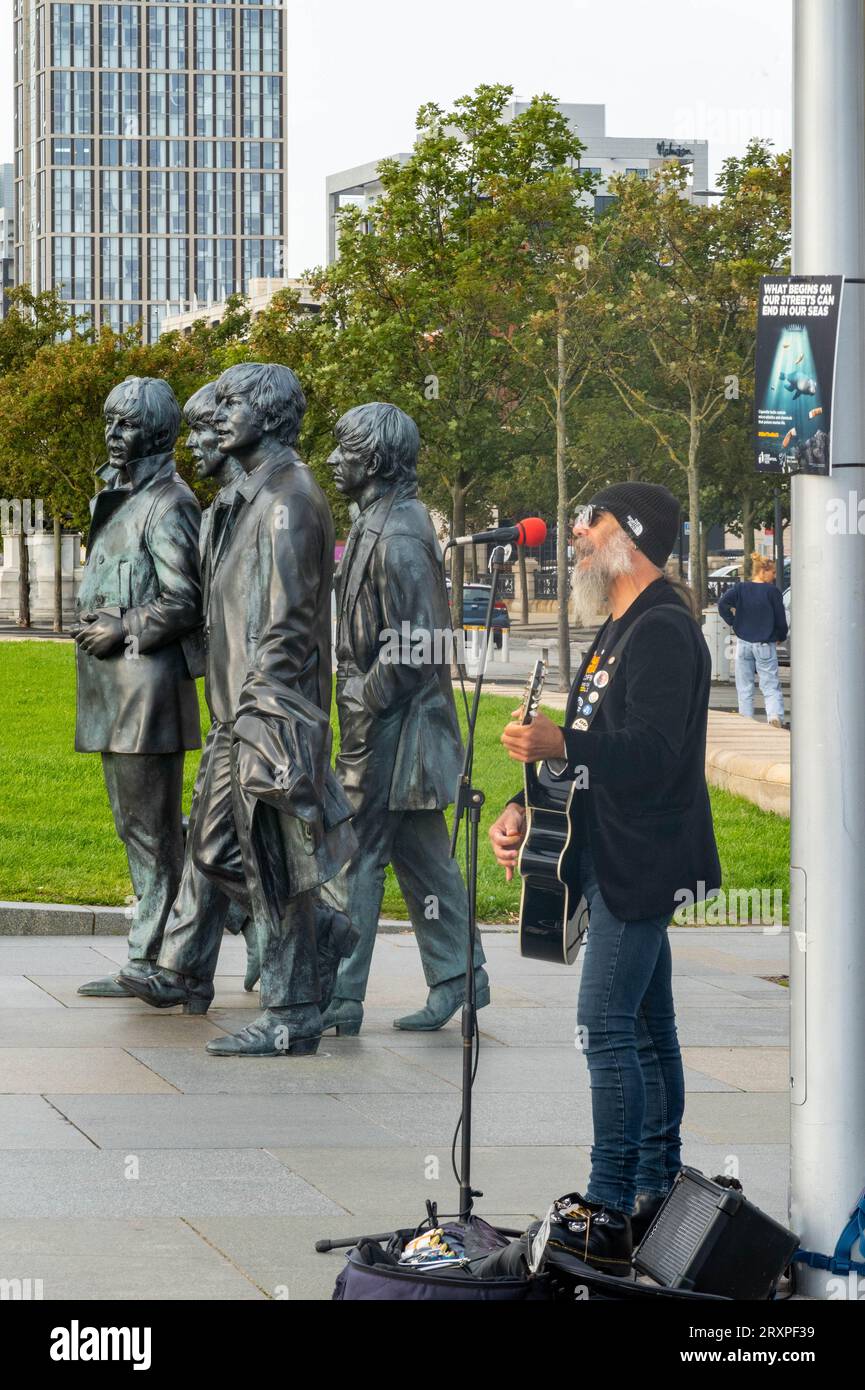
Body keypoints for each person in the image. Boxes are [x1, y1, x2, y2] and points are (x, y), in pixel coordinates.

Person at [488, 481, 721, 1276]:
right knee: (647, 1029)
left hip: (642, 859)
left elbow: (651, 757)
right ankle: (656, 1189)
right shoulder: (618, 626)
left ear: (633, 537)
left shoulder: (662, 631)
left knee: (605, 1026)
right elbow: (590, 743)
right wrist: (525, 806)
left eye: (592, 525)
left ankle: (609, 1203)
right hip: (610, 851)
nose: (578, 537)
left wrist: (560, 743)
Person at [120, 363, 357, 1056]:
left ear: (272, 415)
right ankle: (329, 938)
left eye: (233, 404)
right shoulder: (249, 496)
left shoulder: (288, 499)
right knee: (219, 849)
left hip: (266, 713)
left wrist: (259, 716)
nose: (219, 416)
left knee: (266, 860)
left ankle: (291, 1013)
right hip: (235, 712)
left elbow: (285, 624)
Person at [320, 402, 487, 1036]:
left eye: (345, 449)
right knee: (420, 855)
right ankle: (459, 975)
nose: (334, 461)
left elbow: (418, 642)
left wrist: (364, 691)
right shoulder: (376, 521)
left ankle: (341, 993)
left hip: (397, 723)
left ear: (377, 460)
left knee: (358, 851)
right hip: (383, 721)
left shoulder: (400, 534)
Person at [74, 376, 203, 999]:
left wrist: (124, 624)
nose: (113, 435)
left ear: (155, 430)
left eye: (125, 425)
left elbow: (186, 599)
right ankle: (170, 942)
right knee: (139, 827)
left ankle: (153, 956)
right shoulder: (119, 494)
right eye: (110, 422)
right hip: (113, 688)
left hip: (147, 690)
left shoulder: (170, 502)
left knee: (153, 830)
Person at [158, 383, 261, 995]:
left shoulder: (263, 503)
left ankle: (313, 930)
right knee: (212, 837)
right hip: (226, 695)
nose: (197, 443)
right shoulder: (220, 506)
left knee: (225, 843)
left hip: (256, 706)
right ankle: (187, 970)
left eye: (207, 430)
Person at [718, 555, 788, 727]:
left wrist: (733, 622)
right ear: (763, 571)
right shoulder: (772, 592)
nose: (774, 576)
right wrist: (781, 635)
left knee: (744, 686)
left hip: (743, 643)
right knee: (770, 685)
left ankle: (746, 721)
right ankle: (774, 716)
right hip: (765, 644)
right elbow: (780, 619)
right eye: (772, 572)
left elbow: (722, 604)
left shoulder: (740, 589)